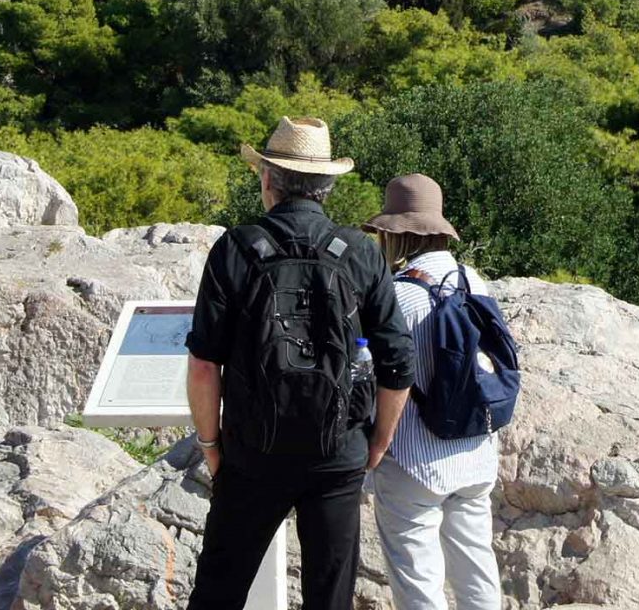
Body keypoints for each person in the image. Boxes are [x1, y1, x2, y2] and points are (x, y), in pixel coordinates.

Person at [185, 117, 415, 610]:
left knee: (218, 591)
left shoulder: (236, 249)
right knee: (329, 597)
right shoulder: (360, 253)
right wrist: (376, 441)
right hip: (337, 452)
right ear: (327, 187)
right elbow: (398, 362)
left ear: (268, 179)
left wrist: (211, 445)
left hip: (252, 452)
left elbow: (205, 364)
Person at [364, 174, 503, 610]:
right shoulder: (473, 280)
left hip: (413, 459)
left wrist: (376, 445)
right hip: (476, 450)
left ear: (395, 233)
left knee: (419, 583)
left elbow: (381, 377)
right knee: (476, 570)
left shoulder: (396, 295)